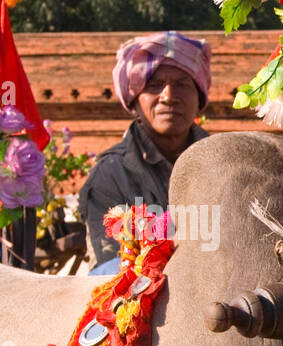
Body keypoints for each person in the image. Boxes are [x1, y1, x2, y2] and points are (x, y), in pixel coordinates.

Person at [79, 31, 212, 273]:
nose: (169, 97)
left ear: (199, 95)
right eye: (155, 85)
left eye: (182, 84)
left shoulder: (222, 163)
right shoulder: (110, 175)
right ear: (134, 100)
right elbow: (111, 269)